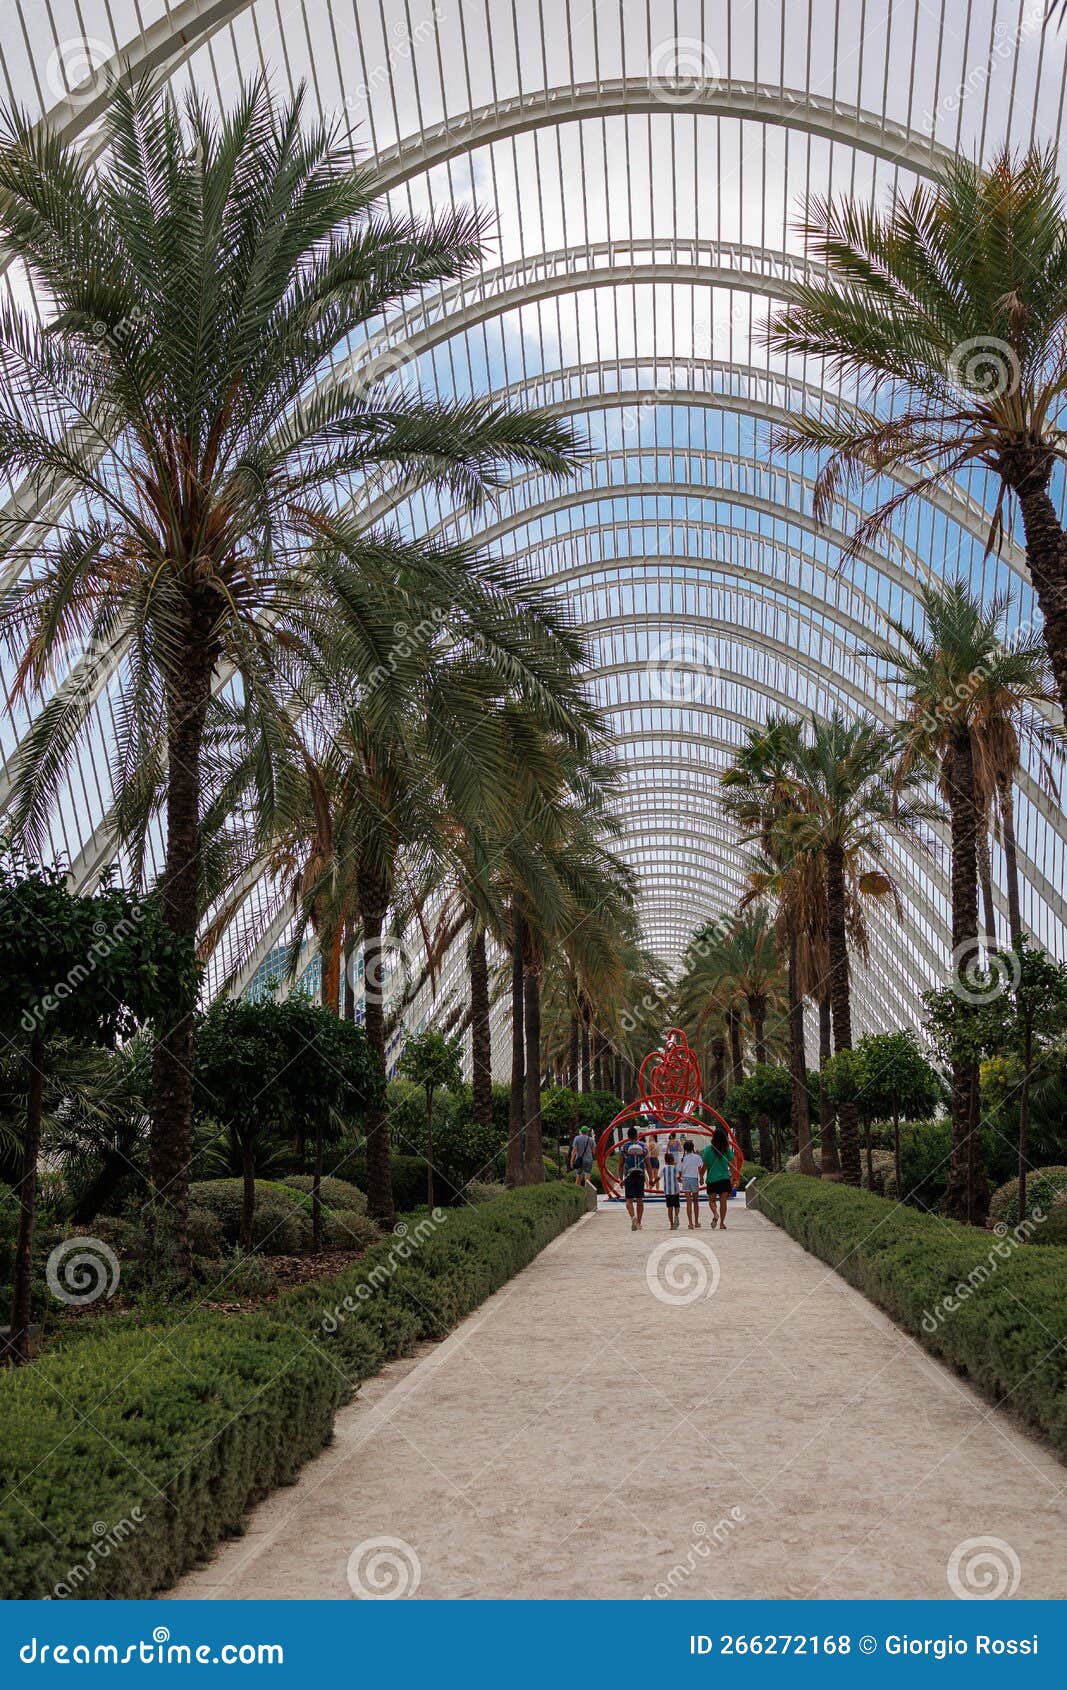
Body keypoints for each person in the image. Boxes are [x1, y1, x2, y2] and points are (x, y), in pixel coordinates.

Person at [702, 1124, 737, 1231]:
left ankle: (716, 1214)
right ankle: (722, 1223)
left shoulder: (708, 1149)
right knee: (723, 1202)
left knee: (712, 1201)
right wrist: (734, 1178)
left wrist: (700, 1176)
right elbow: (732, 1166)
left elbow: (704, 1166)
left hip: (712, 1179)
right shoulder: (727, 1150)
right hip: (724, 1179)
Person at [618, 1124, 648, 1230]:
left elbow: (621, 1164)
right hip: (640, 1175)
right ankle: (639, 1222)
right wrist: (651, 1178)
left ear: (628, 1136)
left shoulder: (624, 1147)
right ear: (637, 1135)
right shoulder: (644, 1146)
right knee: (640, 1200)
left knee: (629, 1200)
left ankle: (632, 1217)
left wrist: (620, 1179)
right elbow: (647, 1163)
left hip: (628, 1176)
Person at [680, 1139, 703, 1229]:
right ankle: (696, 1222)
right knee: (696, 1202)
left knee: (688, 1203)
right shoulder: (697, 1157)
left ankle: (690, 1223)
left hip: (686, 1179)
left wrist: (680, 1178)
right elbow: (700, 1169)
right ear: (693, 1147)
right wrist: (701, 1178)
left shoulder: (683, 1158)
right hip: (694, 1179)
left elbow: (681, 1170)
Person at [661, 1151, 681, 1229]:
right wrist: (681, 1180)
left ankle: (671, 1224)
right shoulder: (675, 1169)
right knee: (677, 1206)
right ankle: (676, 1216)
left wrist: (652, 1183)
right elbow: (678, 1179)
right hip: (675, 1191)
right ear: (673, 1160)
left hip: (668, 1192)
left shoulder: (663, 1169)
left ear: (665, 1161)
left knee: (669, 1208)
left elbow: (658, 1178)